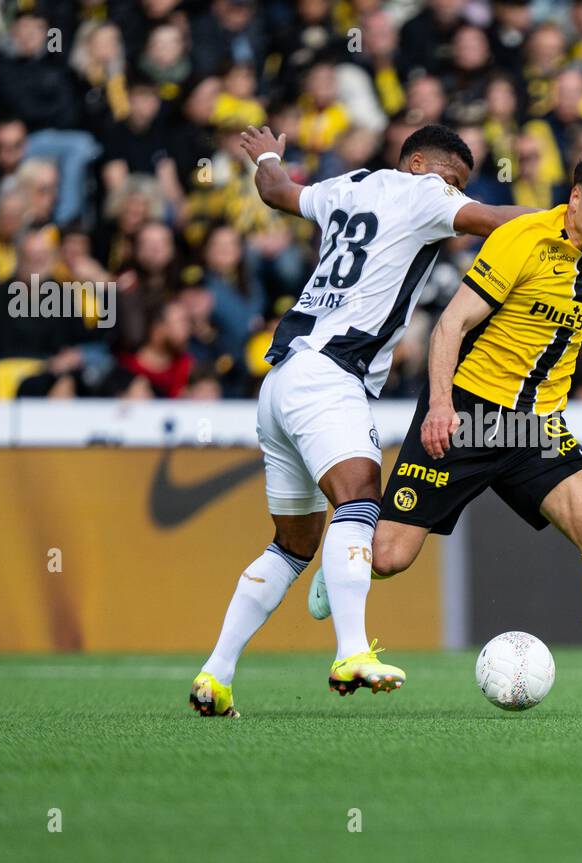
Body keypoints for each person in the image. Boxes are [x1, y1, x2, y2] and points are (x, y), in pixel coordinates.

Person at [306, 151, 582, 718]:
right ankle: (342, 561)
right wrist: (439, 407)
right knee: (388, 557)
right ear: (576, 198)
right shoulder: (522, 240)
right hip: (469, 415)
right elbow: (451, 324)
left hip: (536, 426)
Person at [189, 124, 532, 718]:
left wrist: (268, 154)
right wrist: (568, 220)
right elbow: (503, 219)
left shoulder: (347, 185)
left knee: (294, 545)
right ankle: (351, 652)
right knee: (360, 505)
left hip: (280, 382)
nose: (453, 195)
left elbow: (275, 190)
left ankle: (215, 675)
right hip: (330, 375)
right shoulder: (424, 191)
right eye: (451, 180)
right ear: (418, 162)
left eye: (458, 188)